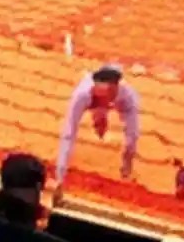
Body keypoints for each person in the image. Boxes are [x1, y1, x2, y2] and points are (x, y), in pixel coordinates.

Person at [53, 64, 140, 204]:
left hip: (117, 101)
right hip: (93, 100)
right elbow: (68, 134)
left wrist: (127, 162)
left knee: (132, 138)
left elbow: (132, 133)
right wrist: (60, 176)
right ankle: (100, 118)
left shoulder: (127, 96)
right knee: (98, 121)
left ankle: (126, 172)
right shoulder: (82, 95)